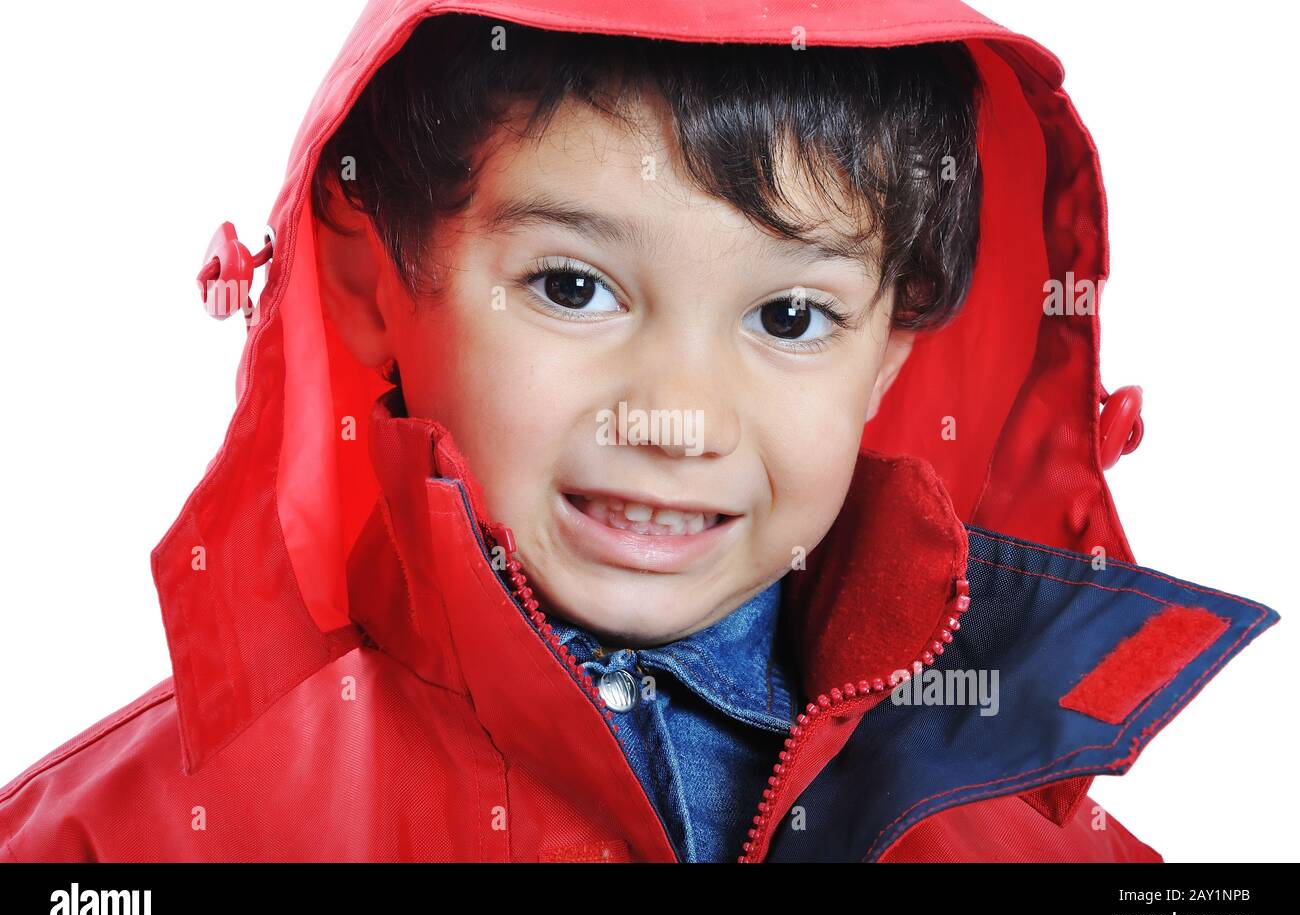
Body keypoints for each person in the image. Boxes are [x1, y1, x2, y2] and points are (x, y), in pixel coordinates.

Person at [0, 1, 1279, 863]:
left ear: (890, 356)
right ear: (372, 283)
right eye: (572, 287)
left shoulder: (1010, 830)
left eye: (788, 313)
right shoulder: (132, 842)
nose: (679, 417)